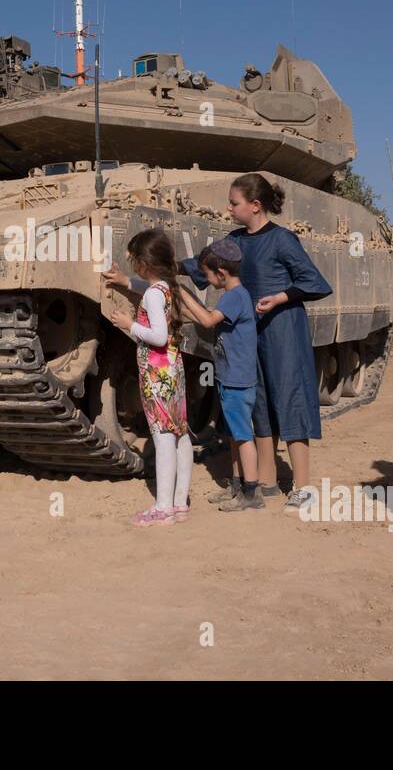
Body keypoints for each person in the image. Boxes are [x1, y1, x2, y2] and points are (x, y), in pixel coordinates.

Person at [190, 173, 332, 513]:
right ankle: (264, 482)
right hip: (248, 334)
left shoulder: (283, 240)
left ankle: (302, 488)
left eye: (234, 203)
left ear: (255, 206)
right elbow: (204, 266)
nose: (229, 208)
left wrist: (280, 297)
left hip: (283, 331)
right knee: (258, 404)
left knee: (290, 399)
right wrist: (163, 267)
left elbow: (314, 282)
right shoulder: (235, 241)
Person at [106, 229, 193, 527]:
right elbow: (149, 289)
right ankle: (180, 502)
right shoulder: (168, 287)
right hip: (173, 368)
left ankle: (162, 506)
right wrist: (125, 282)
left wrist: (130, 324)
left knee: (162, 436)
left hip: (156, 372)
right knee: (180, 432)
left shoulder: (155, 296)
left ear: (143, 262)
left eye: (132, 259)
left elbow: (157, 336)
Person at [175, 239, 264, 512]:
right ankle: (238, 486)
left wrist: (182, 291)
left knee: (243, 435)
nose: (207, 279)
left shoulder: (236, 296)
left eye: (207, 274)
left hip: (237, 377)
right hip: (230, 375)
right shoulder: (234, 294)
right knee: (234, 435)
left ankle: (252, 492)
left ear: (221, 273)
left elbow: (207, 320)